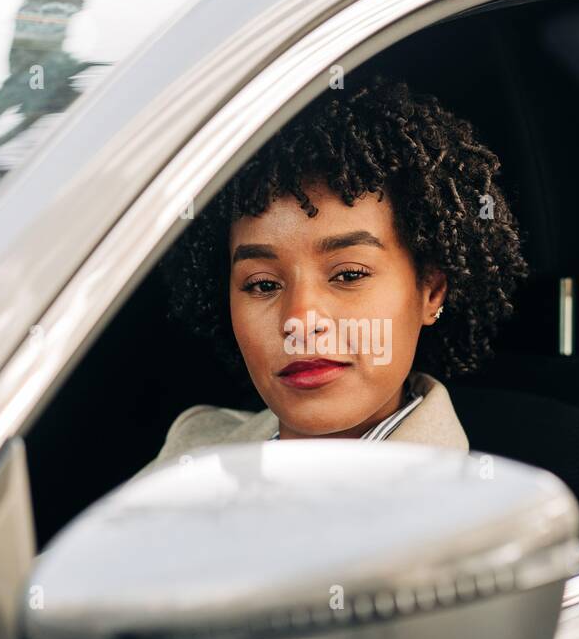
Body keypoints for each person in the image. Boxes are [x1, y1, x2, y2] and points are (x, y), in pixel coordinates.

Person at [131, 76, 527, 481]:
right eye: (263, 284)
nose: (300, 321)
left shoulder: (481, 524)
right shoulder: (195, 445)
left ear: (431, 290)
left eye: (349, 274)